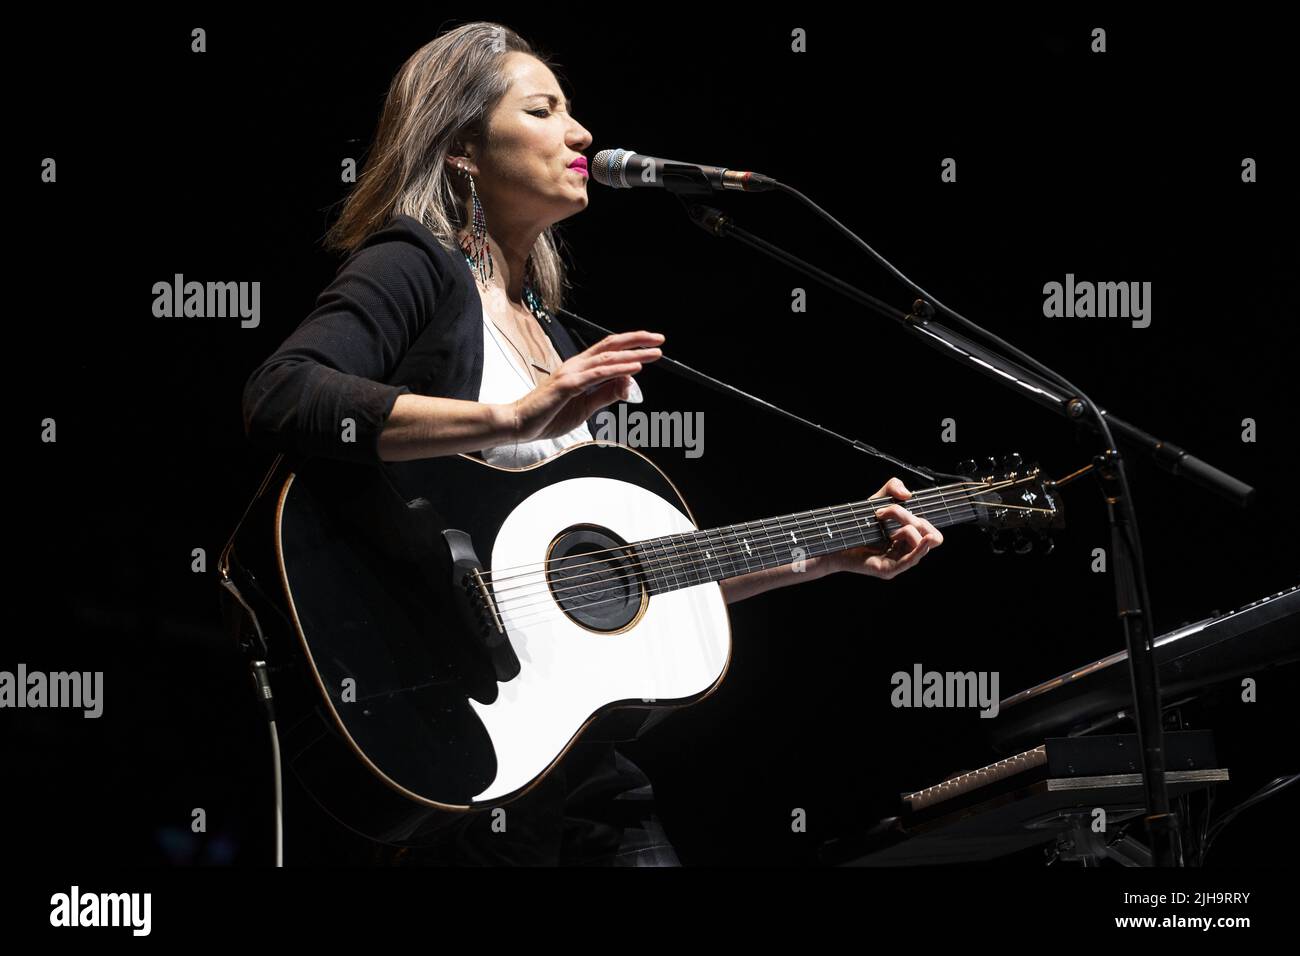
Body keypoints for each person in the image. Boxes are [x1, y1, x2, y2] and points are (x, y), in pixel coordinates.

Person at [241, 21, 943, 866]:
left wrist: (826, 555)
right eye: (544, 110)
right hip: (461, 744)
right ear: (462, 146)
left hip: (582, 768)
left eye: (574, 112)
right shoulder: (415, 265)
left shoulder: (555, 333)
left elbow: (618, 581)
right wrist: (511, 419)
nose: (581, 134)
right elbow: (283, 393)